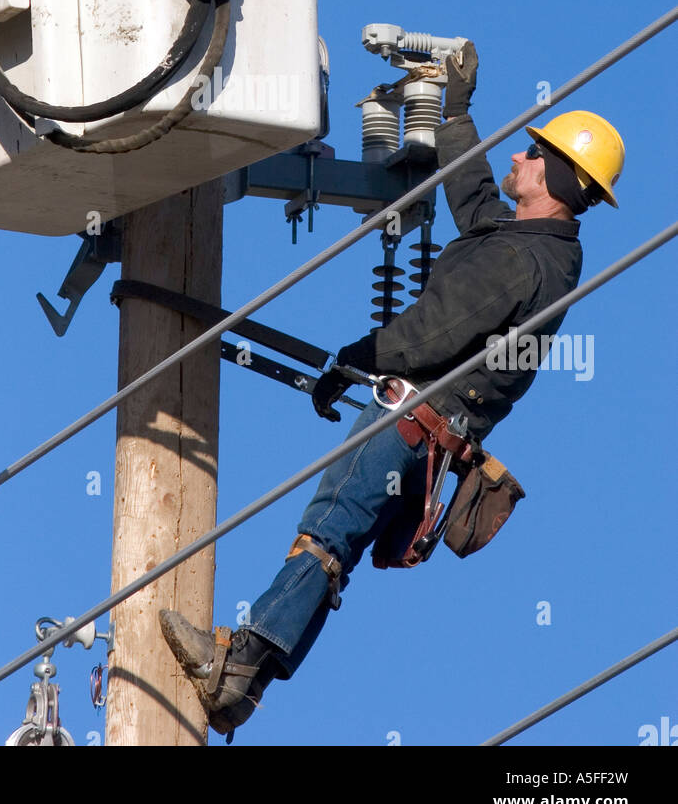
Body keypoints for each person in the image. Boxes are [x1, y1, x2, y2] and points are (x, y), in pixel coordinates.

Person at [159, 43, 626, 737]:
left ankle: (239, 663)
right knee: (332, 548)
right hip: (433, 437)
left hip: (414, 421)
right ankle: (245, 690)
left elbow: (435, 332)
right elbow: (471, 196)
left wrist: (353, 359)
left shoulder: (521, 260)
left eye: (534, 152)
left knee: (326, 533)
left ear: (559, 174)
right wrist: (455, 110)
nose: (522, 156)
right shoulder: (537, 247)